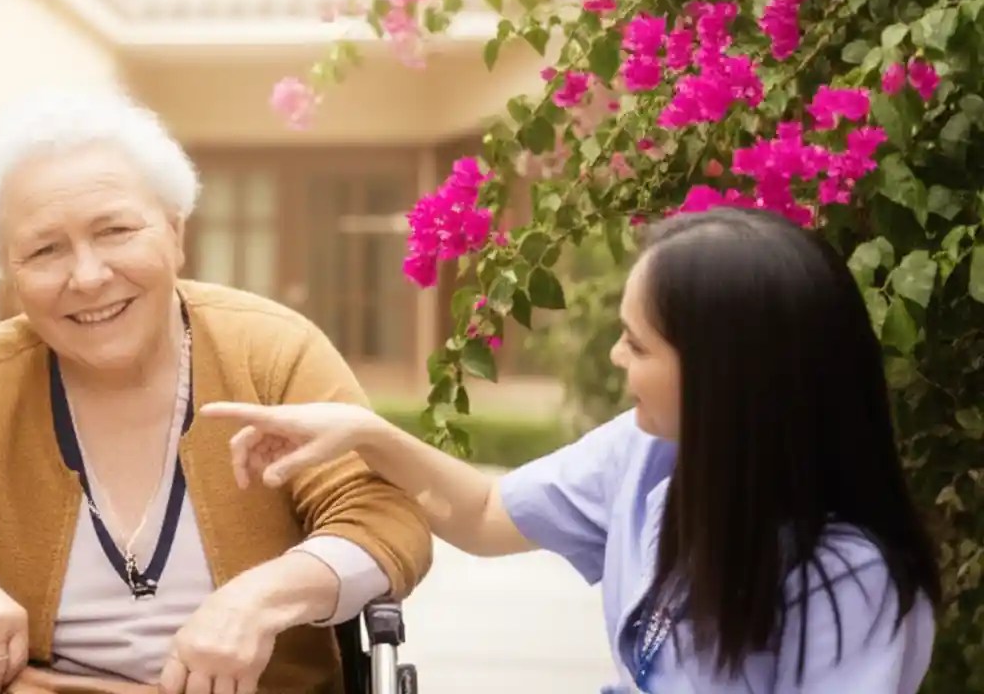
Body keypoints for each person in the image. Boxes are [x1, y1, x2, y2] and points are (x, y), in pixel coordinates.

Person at [0, 90, 432, 694]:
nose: (89, 276)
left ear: (175, 233)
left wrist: (262, 598)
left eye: (116, 231)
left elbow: (385, 520)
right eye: (44, 251)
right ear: (8, 274)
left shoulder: (271, 352)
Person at [200, 207, 943, 693]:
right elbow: (487, 513)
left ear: (726, 378)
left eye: (636, 341)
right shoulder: (646, 456)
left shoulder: (850, 580)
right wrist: (365, 435)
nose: (616, 357)